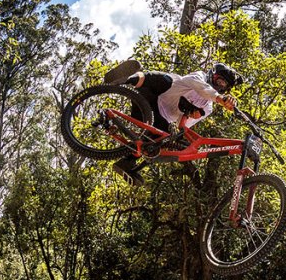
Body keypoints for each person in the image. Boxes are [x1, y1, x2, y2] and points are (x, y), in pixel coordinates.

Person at [104, 60, 243, 186]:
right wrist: (220, 99)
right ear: (213, 75)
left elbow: (184, 126)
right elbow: (202, 88)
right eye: (219, 80)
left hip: (159, 120)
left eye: (223, 84)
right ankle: (126, 78)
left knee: (158, 143)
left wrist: (186, 121)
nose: (220, 85)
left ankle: (126, 163)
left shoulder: (208, 108)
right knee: (166, 79)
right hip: (151, 97)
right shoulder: (199, 77)